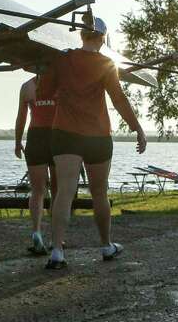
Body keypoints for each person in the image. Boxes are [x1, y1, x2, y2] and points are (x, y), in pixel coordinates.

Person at [43, 17, 147, 269]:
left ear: (81, 36)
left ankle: (57, 251)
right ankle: (106, 246)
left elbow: (43, 92)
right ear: (102, 38)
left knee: (64, 192)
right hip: (98, 135)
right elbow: (119, 100)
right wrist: (137, 128)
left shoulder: (62, 59)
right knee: (99, 192)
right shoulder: (106, 64)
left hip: (65, 134)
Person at [15, 70, 59, 254]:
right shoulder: (61, 85)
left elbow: (22, 117)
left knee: (38, 190)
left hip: (35, 138)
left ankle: (36, 231)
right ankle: (58, 238)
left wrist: (18, 142)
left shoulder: (27, 87)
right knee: (58, 190)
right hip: (58, 136)